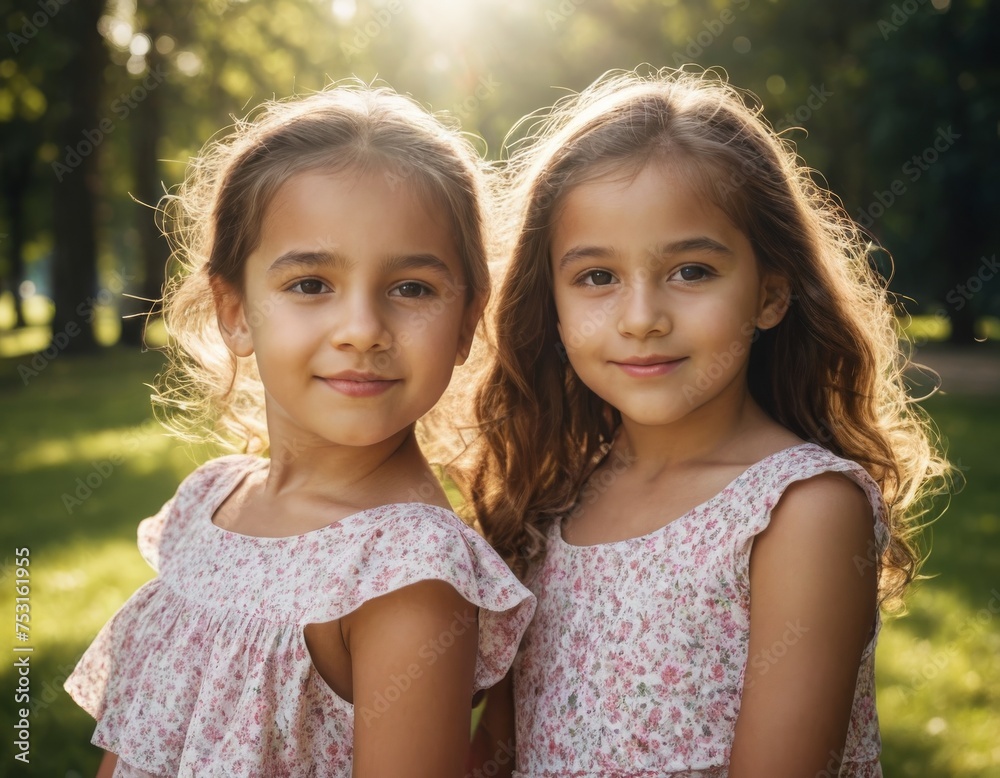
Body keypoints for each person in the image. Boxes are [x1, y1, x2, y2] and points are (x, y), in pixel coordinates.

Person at [465, 68, 949, 777]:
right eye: (597, 277)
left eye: (691, 271)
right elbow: (494, 756)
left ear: (772, 294)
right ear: (554, 305)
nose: (641, 318)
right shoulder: (552, 500)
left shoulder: (800, 510)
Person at [64, 85, 535, 778]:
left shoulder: (405, 573)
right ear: (235, 312)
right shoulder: (210, 502)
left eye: (411, 288)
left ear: (467, 320)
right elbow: (136, 744)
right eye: (312, 284)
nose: (362, 330)